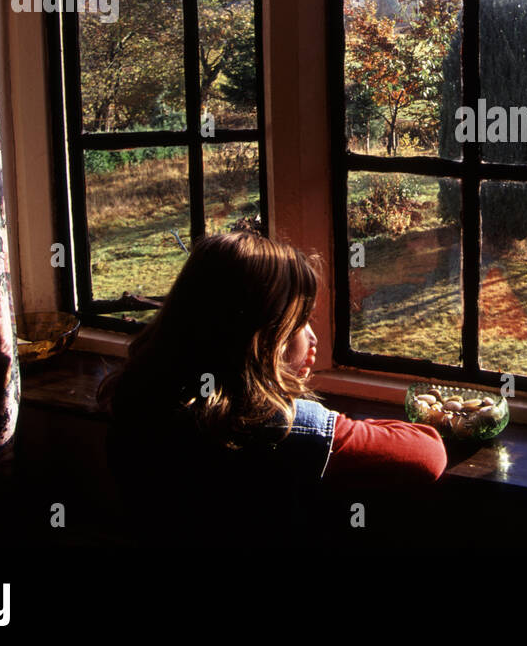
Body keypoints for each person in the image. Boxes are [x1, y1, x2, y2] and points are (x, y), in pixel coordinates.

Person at [97, 229, 446, 544]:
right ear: (267, 339)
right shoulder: (281, 429)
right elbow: (428, 456)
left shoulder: (136, 400)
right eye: (301, 321)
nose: (312, 335)